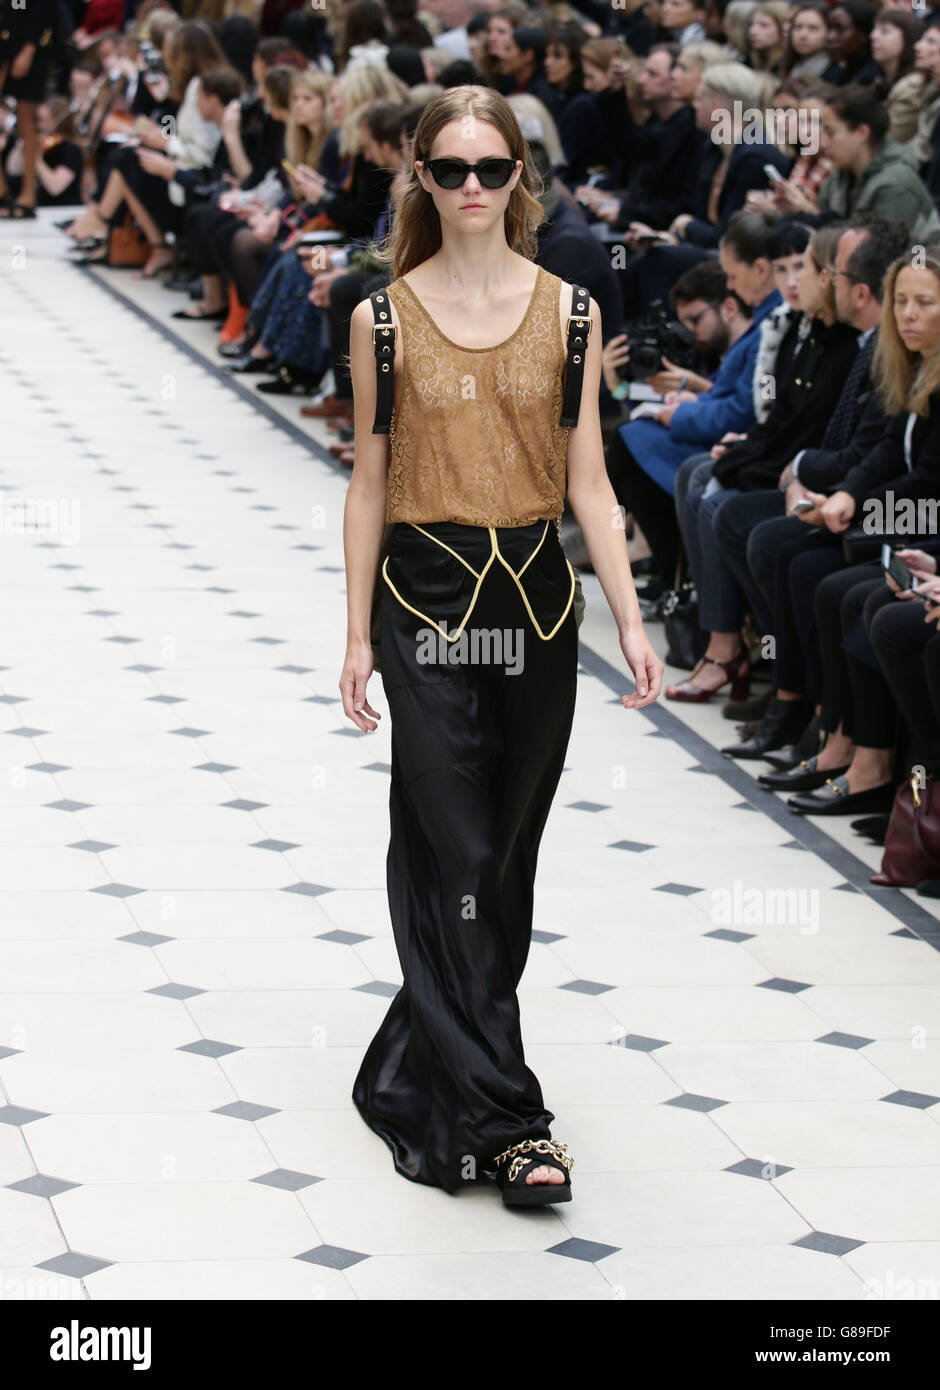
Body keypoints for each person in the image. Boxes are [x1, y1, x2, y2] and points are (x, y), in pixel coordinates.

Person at [340, 85, 662, 1204]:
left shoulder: (571, 313)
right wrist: (352, 635)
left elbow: (589, 479)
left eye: (491, 168)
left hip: (533, 605)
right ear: (419, 178)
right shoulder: (380, 316)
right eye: (449, 169)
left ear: (520, 176)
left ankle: (423, 1049)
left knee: (502, 864)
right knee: (457, 853)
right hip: (422, 603)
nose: (471, 188)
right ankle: (512, 1124)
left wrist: (627, 616)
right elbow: (369, 483)